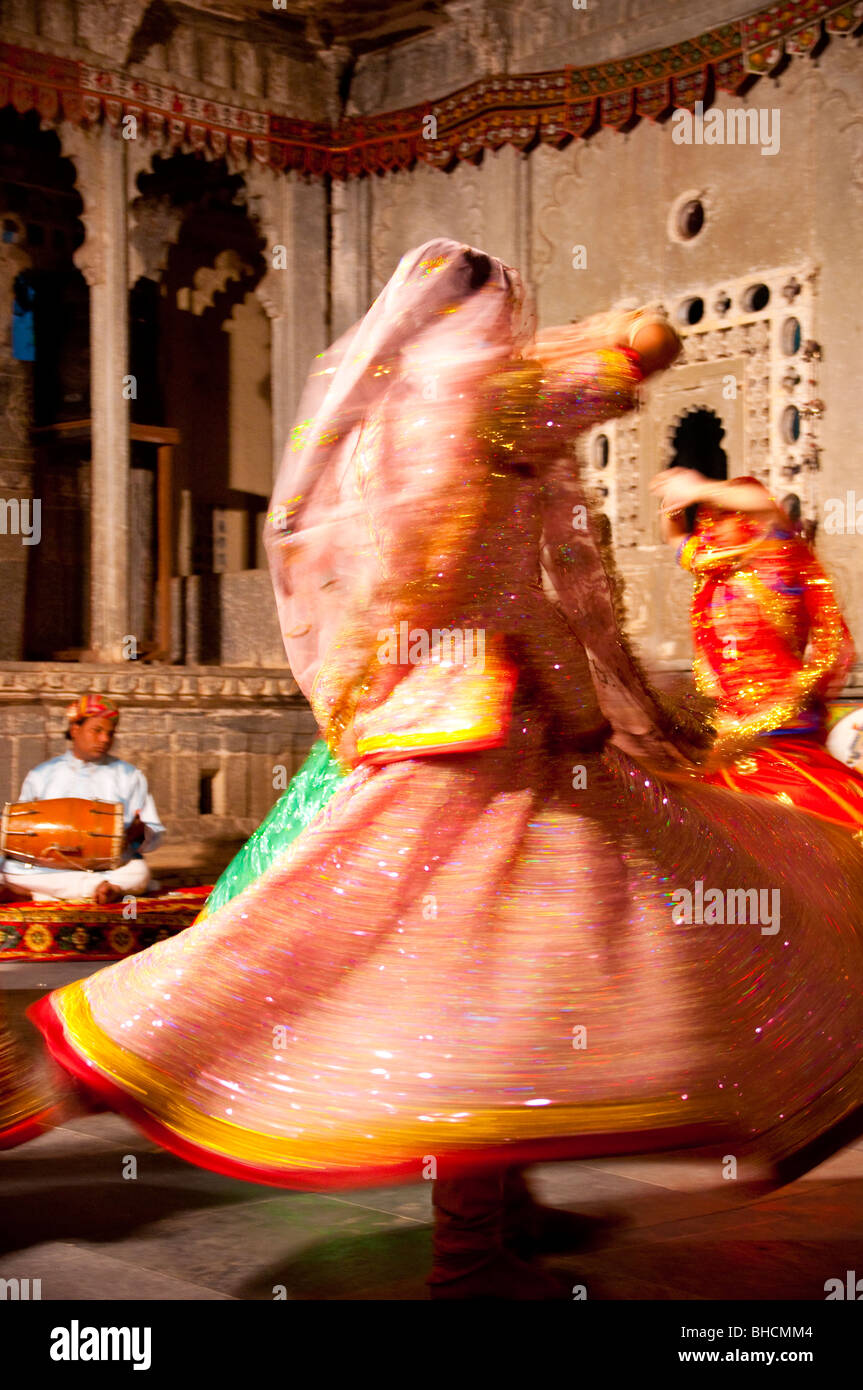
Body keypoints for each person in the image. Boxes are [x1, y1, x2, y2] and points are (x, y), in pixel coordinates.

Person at [2, 242, 863, 1303]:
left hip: (434, 734)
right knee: (493, 981)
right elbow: (564, 491)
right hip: (496, 751)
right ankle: (446, 1239)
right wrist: (588, 705)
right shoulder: (483, 400)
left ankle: (491, 1201)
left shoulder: (390, 426)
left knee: (477, 977)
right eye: (505, 311)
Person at [651, 467, 863, 837]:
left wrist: (701, 487)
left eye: (720, 519)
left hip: (778, 721)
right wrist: (672, 507)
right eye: (708, 523)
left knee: (803, 814)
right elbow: (677, 541)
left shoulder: (777, 558)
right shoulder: (714, 567)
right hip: (727, 727)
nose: (711, 531)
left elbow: (762, 506)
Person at [1, 694, 165, 904]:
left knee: (138, 870)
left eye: (110, 733)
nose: (105, 739)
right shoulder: (42, 774)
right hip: (51, 866)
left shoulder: (129, 775)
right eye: (97, 731)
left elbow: (153, 833)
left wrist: (140, 833)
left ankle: (56, 893)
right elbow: (22, 830)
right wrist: (30, 853)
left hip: (106, 866)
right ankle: (96, 889)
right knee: (9, 869)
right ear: (75, 730)